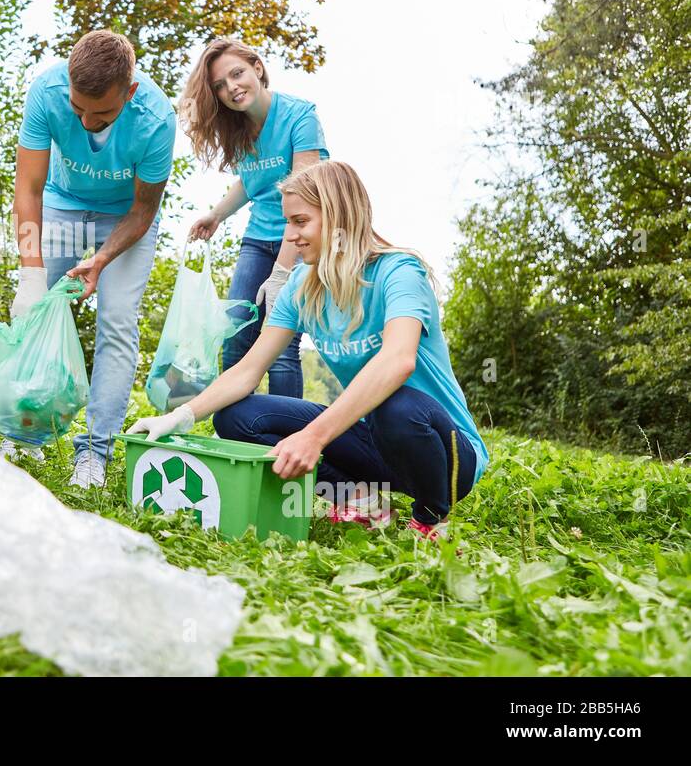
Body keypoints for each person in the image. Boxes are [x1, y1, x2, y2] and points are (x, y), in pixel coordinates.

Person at [129, 161, 488, 540]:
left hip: (444, 456)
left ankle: (430, 520)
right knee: (235, 416)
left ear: (338, 217)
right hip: (373, 442)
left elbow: (398, 360)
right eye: (288, 222)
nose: (290, 235)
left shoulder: (398, 273)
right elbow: (249, 370)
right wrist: (181, 417)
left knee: (395, 405)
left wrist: (314, 437)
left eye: (300, 222)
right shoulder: (302, 284)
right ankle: (359, 500)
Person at [12, 30, 176, 487]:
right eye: (77, 108)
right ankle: (25, 435)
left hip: (125, 217)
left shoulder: (157, 120)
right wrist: (31, 273)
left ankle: (95, 453)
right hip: (63, 202)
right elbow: (28, 189)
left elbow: (144, 210)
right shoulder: (46, 93)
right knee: (36, 308)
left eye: (101, 113)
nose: (85, 122)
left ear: (130, 92)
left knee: (118, 322)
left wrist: (101, 260)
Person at [182, 37, 329, 397]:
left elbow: (307, 199)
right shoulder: (240, 129)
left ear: (257, 69)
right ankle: (235, 426)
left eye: (237, 74)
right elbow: (251, 182)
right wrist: (217, 214)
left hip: (300, 243)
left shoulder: (300, 116)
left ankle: (284, 440)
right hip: (257, 240)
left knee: (279, 346)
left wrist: (282, 275)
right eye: (220, 85)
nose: (231, 87)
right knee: (234, 335)